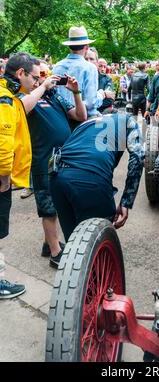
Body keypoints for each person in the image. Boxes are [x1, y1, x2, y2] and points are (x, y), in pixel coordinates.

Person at [15, 58, 87, 267]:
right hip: (42, 159)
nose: (43, 80)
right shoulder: (24, 96)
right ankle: (56, 254)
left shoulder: (54, 96)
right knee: (48, 207)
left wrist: (75, 92)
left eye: (47, 75)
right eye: (39, 76)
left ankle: (49, 243)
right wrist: (42, 87)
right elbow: (22, 108)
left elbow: (81, 116)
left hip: (62, 158)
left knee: (57, 202)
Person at [49, 113, 144, 242]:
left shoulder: (86, 123)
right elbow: (138, 156)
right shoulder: (127, 120)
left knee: (73, 244)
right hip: (91, 178)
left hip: (57, 177)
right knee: (100, 241)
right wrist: (126, 201)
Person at [0, 53, 37, 298]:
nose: (36, 81)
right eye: (34, 77)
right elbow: (3, 142)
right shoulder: (6, 100)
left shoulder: (8, 95)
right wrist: (4, 177)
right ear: (20, 73)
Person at [53, 26, 103, 118]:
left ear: (69, 46)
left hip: (60, 118)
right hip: (82, 120)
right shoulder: (90, 68)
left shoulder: (57, 66)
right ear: (87, 47)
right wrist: (101, 96)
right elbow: (90, 103)